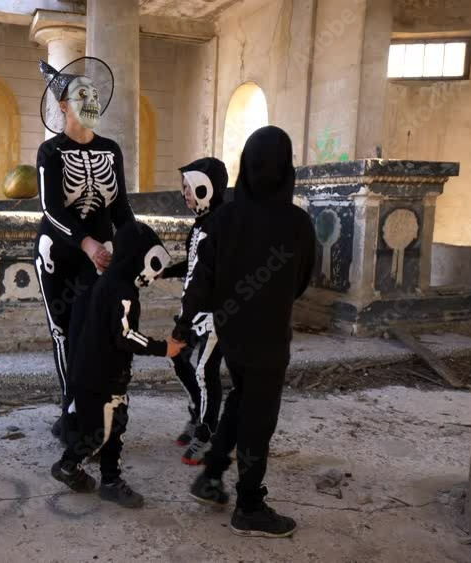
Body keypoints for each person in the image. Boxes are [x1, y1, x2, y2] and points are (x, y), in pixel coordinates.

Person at [173, 126, 315, 538]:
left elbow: (202, 278)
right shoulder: (298, 224)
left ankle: (212, 476)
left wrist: (184, 325)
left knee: (240, 397)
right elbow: (302, 281)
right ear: (287, 168)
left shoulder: (225, 218)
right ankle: (249, 507)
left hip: (231, 334)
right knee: (259, 419)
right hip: (270, 337)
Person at [33, 57, 134, 442]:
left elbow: (121, 208)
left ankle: (99, 409)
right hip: (57, 257)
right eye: (80, 94)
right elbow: (50, 209)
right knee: (64, 334)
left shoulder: (111, 150)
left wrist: (131, 248)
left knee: (96, 334)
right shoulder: (51, 153)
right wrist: (87, 242)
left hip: (100, 261)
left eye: (93, 93)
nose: (90, 99)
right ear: (63, 106)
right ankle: (70, 410)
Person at [51, 221, 184, 508]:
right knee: (98, 432)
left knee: (114, 428)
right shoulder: (122, 291)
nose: (157, 273)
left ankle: (108, 480)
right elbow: (124, 336)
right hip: (101, 379)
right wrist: (165, 348)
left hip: (102, 376)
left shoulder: (110, 282)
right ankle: (69, 466)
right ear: (138, 258)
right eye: (155, 262)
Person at [159, 157, 229, 465]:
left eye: (189, 187)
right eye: (184, 187)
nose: (185, 193)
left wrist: (182, 325)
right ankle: (198, 414)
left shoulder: (218, 226)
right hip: (196, 312)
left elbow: (203, 281)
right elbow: (192, 267)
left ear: (206, 187)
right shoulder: (202, 223)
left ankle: (207, 432)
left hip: (215, 315)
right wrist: (164, 271)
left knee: (205, 372)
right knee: (179, 359)